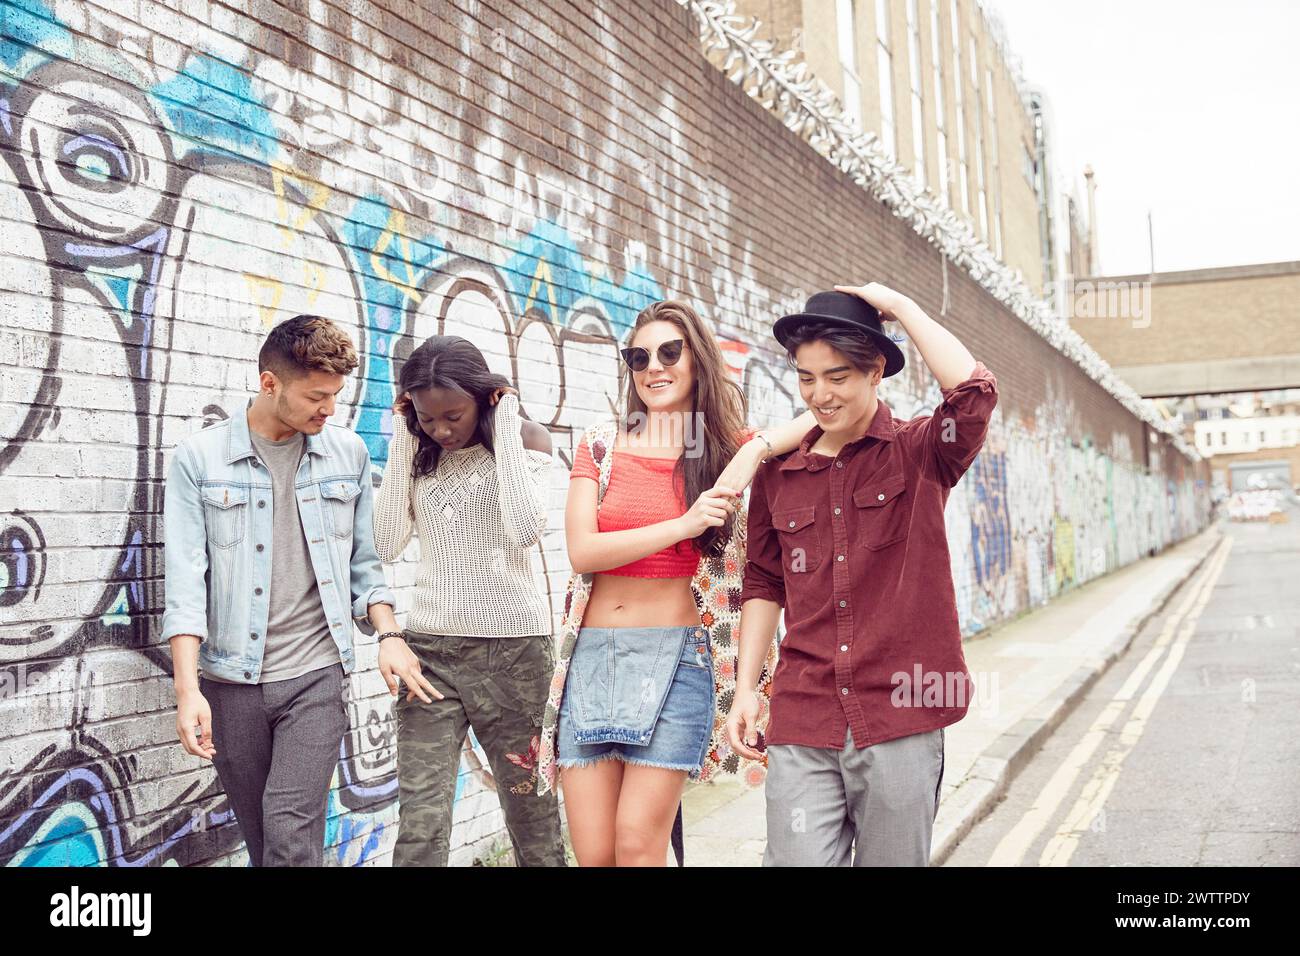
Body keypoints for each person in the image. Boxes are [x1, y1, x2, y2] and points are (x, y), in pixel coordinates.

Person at [536, 299, 818, 867]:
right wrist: (683, 525)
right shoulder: (601, 444)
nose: (654, 368)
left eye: (670, 352)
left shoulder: (726, 450)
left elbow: (824, 414)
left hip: (679, 661)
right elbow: (583, 551)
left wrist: (756, 447)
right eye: (638, 357)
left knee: (637, 845)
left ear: (697, 360)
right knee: (594, 855)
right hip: (592, 659)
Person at [726, 283, 998, 866]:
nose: (820, 394)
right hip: (805, 715)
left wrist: (899, 306)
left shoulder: (920, 452)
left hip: (901, 713)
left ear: (876, 371)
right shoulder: (778, 474)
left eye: (838, 376)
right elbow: (764, 583)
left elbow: (974, 395)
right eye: (806, 378)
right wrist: (746, 687)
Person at [163, 314, 400, 866]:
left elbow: (365, 565)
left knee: (289, 831)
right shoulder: (200, 460)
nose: (329, 409)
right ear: (270, 383)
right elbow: (185, 583)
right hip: (231, 683)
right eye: (317, 396)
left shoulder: (347, 454)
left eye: (335, 395)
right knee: (263, 840)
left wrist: (388, 633)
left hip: (316, 675)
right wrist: (187, 691)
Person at [372, 335, 566, 866]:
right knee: (421, 819)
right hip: (430, 656)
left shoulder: (528, 439)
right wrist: (403, 440)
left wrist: (504, 429)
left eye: (453, 416)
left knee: (532, 817)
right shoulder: (420, 450)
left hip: (514, 654)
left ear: (483, 398)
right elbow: (386, 542)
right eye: (427, 418)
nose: (441, 429)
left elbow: (525, 529)